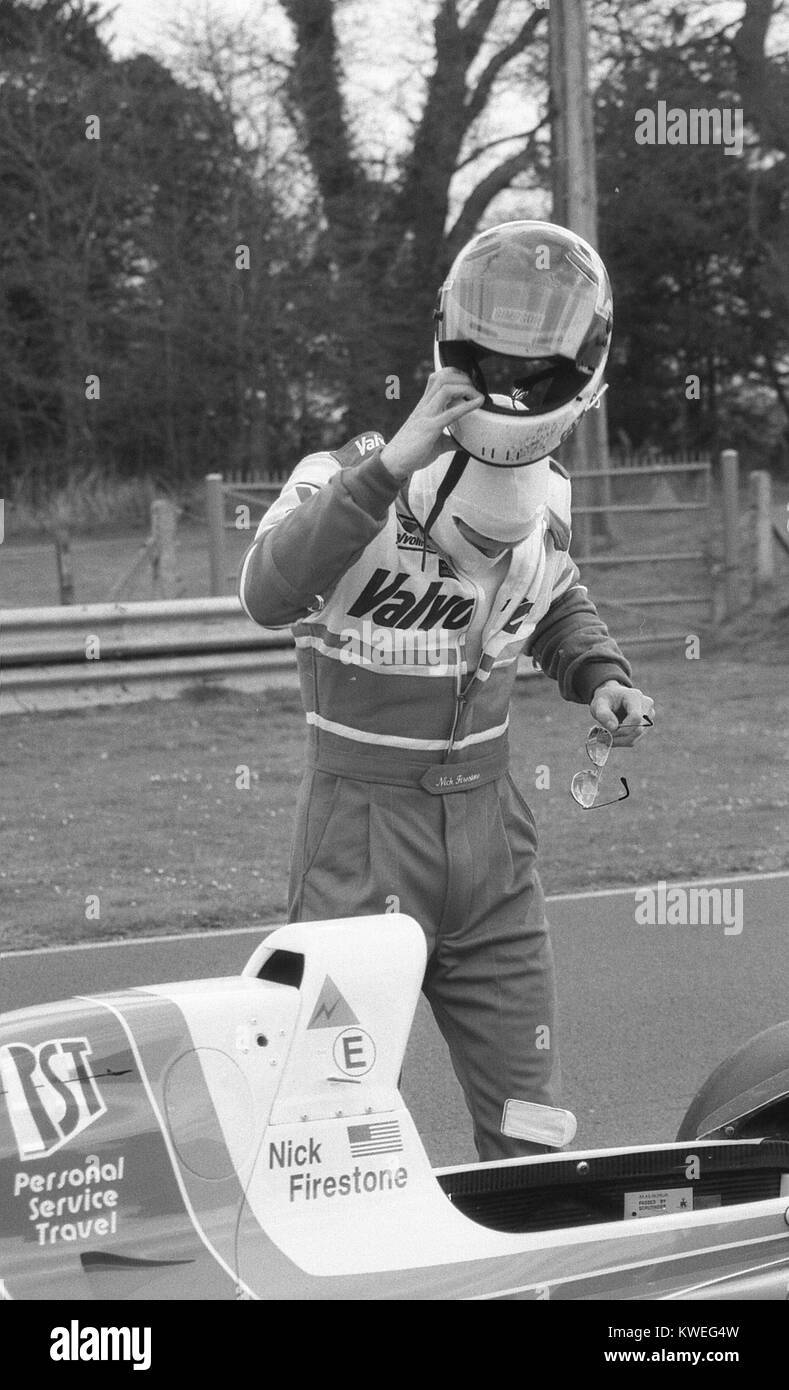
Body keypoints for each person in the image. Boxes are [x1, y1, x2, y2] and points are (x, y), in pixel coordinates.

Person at [239, 220, 654, 1161]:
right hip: (360, 830)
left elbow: (546, 595)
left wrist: (598, 673)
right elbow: (267, 591)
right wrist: (383, 472)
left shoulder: (547, 497)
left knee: (532, 1122)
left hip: (493, 839)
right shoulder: (341, 478)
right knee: (327, 1124)